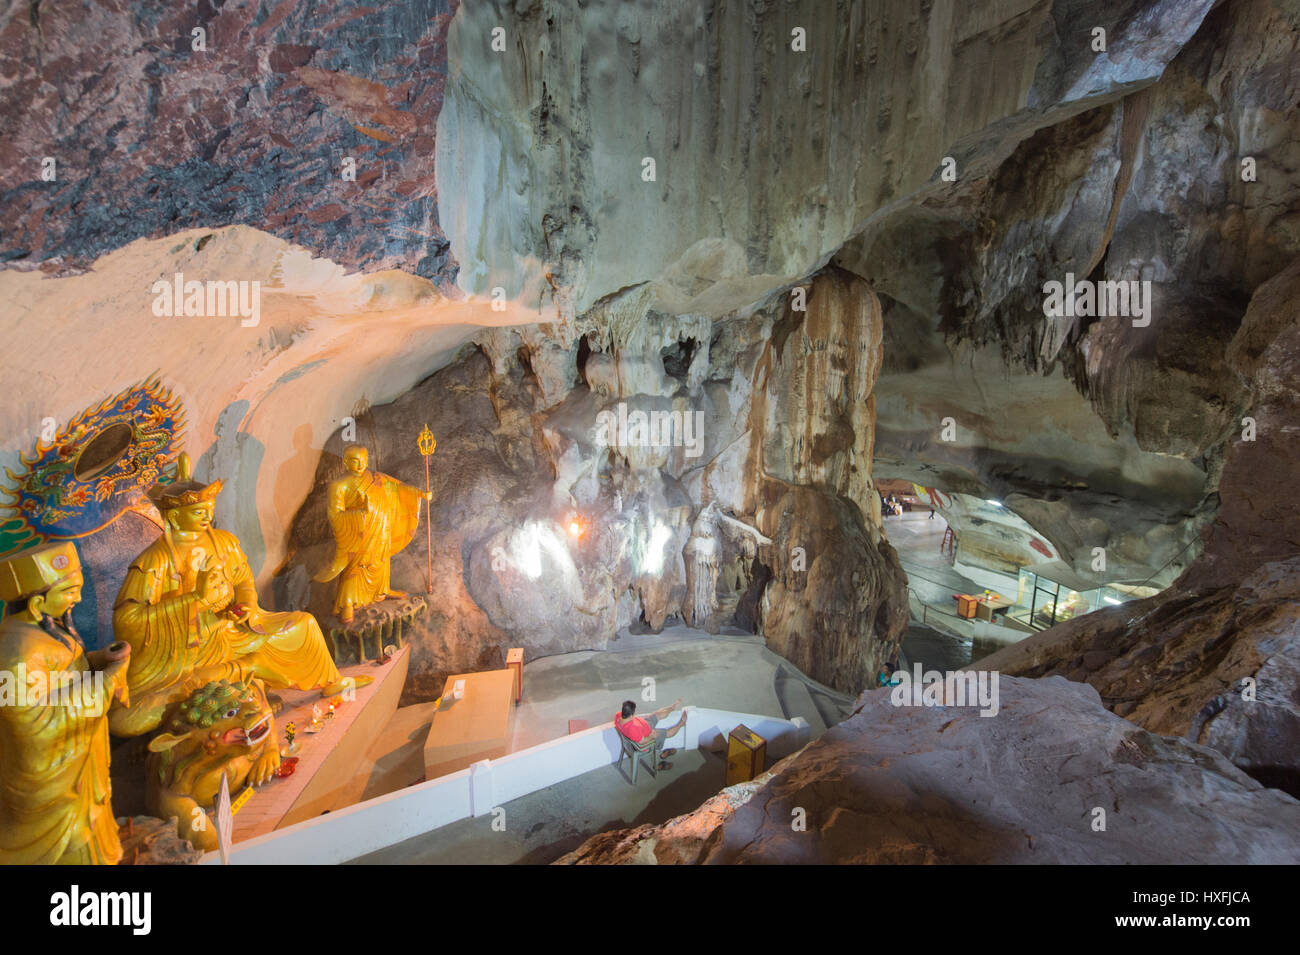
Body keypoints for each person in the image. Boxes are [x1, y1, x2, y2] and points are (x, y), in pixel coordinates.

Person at [112, 454, 369, 737]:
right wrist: (194, 600)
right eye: (198, 512)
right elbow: (128, 619)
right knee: (128, 720)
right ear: (174, 516)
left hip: (234, 627)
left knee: (303, 625)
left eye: (209, 509)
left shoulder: (222, 541)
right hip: (190, 647)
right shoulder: (156, 560)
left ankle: (327, 680)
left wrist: (246, 602)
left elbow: (244, 579)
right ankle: (248, 672)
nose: (207, 516)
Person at [0, 541, 130, 863]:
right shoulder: (16, 652)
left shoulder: (49, 627)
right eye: (70, 591)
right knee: (72, 842)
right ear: (36, 603)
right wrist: (106, 683)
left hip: (81, 763)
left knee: (94, 823)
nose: (78, 599)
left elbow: (68, 675)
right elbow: (30, 725)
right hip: (53, 780)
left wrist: (100, 661)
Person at [314, 446, 430, 624]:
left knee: (380, 561)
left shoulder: (376, 478)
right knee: (356, 566)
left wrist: (419, 493)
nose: (360, 464)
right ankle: (347, 604)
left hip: (381, 529)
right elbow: (335, 515)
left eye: (363, 459)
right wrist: (360, 512)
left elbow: (398, 488)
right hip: (360, 533)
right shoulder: (339, 486)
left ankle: (381, 590)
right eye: (354, 460)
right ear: (345, 462)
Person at [615, 697, 687, 770]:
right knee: (666, 733)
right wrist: (651, 736)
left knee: (656, 714)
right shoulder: (632, 729)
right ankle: (682, 723)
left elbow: (633, 724)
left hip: (643, 726)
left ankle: (672, 708)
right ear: (630, 716)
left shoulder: (618, 716)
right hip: (647, 737)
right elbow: (642, 741)